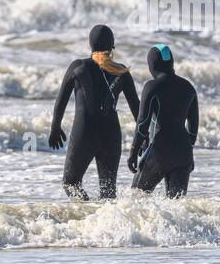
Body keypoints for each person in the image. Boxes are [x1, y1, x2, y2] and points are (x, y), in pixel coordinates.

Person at [49, 25, 140, 200]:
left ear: (90, 45)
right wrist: (142, 141)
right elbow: (138, 111)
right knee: (108, 193)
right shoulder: (121, 72)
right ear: (112, 47)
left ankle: (88, 217)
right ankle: (103, 224)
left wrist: (55, 127)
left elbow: (61, 100)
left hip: (85, 133)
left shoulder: (78, 67)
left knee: (71, 183)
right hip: (111, 135)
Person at [127, 44, 199, 198]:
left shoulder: (152, 87)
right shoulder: (189, 88)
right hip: (183, 153)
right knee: (177, 209)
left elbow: (142, 122)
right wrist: (189, 151)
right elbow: (193, 129)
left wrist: (133, 152)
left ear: (152, 65)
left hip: (160, 151)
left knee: (135, 200)